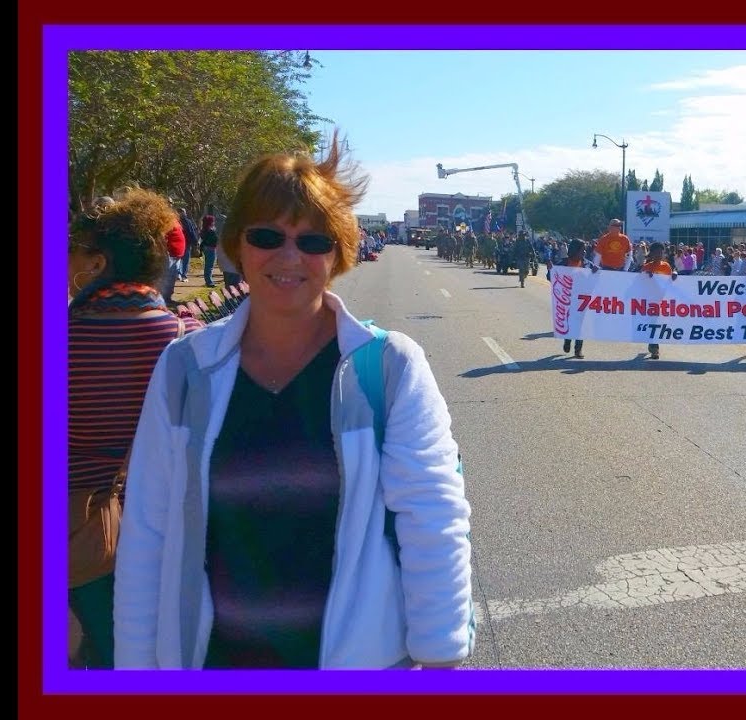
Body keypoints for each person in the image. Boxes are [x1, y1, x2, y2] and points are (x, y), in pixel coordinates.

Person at [114, 132, 474, 670]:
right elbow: (148, 532)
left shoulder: (391, 367)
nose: (289, 256)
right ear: (236, 246)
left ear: (339, 253)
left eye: (312, 241)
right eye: (267, 235)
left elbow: (432, 516)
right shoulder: (184, 368)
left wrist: (439, 656)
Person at [68, 188, 204, 669]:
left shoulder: (68, 331)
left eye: (74, 252)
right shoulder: (174, 336)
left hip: (77, 523)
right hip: (142, 520)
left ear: (99, 263)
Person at [551, 239, 599, 358]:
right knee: (569, 321)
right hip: (567, 298)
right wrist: (550, 269)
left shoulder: (587, 264)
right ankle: (567, 340)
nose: (583, 252)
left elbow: (598, 277)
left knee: (581, 324)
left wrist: (596, 271)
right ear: (574, 250)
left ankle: (578, 349)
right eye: (581, 250)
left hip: (582, 299)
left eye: (584, 250)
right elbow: (550, 277)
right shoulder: (563, 263)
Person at [641, 241, 676, 360]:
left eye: (661, 252)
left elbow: (671, 282)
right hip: (650, 302)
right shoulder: (647, 267)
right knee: (653, 324)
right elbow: (639, 285)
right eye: (656, 253)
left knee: (658, 324)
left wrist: (675, 275)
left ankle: (653, 346)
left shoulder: (666, 266)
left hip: (663, 301)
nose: (659, 255)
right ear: (651, 254)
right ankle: (654, 348)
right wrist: (646, 276)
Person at [200, 206, 220, 287]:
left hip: (206, 248)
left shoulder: (204, 229)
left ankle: (208, 280)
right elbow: (215, 239)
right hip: (211, 248)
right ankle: (209, 281)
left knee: (208, 265)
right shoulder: (211, 230)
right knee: (210, 266)